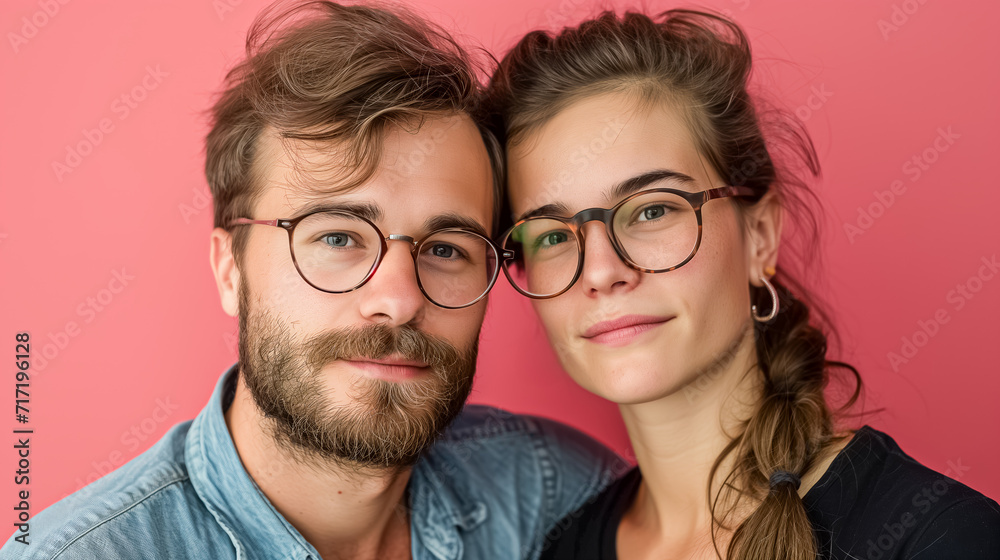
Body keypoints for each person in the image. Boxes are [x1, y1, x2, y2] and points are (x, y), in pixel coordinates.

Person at [1, 2, 624, 559]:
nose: (399, 300)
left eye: (444, 249)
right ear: (230, 269)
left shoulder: (553, 492)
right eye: (338, 238)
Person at [485, 9, 1000, 560]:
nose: (602, 271)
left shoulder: (945, 538)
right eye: (552, 236)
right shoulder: (560, 550)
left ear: (759, 236)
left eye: (653, 210)